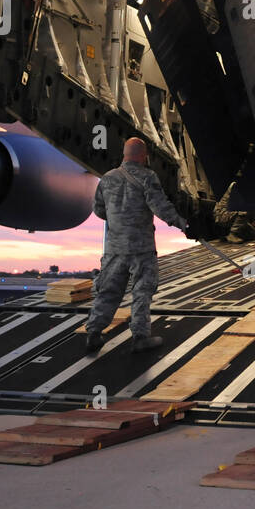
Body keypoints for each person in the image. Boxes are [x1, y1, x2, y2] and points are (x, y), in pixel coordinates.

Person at [83, 138, 189, 354]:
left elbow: (99, 210)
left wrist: (118, 221)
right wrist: (184, 225)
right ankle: (140, 337)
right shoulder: (147, 177)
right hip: (141, 248)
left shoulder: (107, 179)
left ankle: (94, 333)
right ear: (143, 155)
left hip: (114, 249)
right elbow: (160, 207)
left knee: (109, 292)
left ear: (124, 154)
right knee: (142, 292)